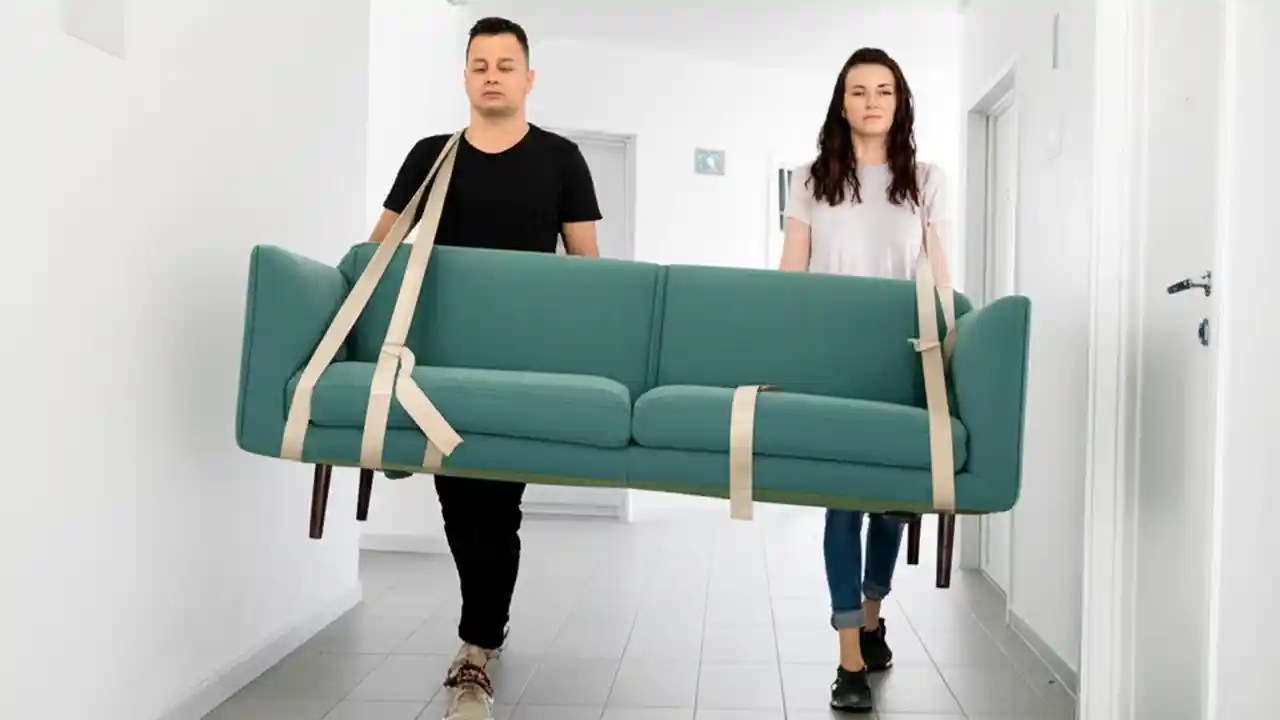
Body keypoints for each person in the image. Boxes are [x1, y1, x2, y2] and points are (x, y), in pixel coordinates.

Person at [367, 16, 602, 720]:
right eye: (479, 65)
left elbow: (589, 272)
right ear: (465, 77)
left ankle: (476, 648)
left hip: (521, 364)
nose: (492, 75)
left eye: (505, 65)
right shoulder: (431, 157)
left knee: (497, 507)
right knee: (458, 505)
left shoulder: (562, 160)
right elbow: (377, 254)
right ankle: (484, 630)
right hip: (439, 365)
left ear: (529, 78)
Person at [780, 47, 949, 714]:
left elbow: (938, 273)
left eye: (884, 90)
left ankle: (873, 614)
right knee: (841, 502)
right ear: (841, 102)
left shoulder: (926, 180)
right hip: (831, 356)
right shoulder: (809, 179)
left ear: (900, 102)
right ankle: (849, 656)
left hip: (901, 353)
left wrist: (945, 354)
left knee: (891, 502)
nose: (871, 101)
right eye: (858, 90)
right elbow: (791, 273)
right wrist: (786, 351)